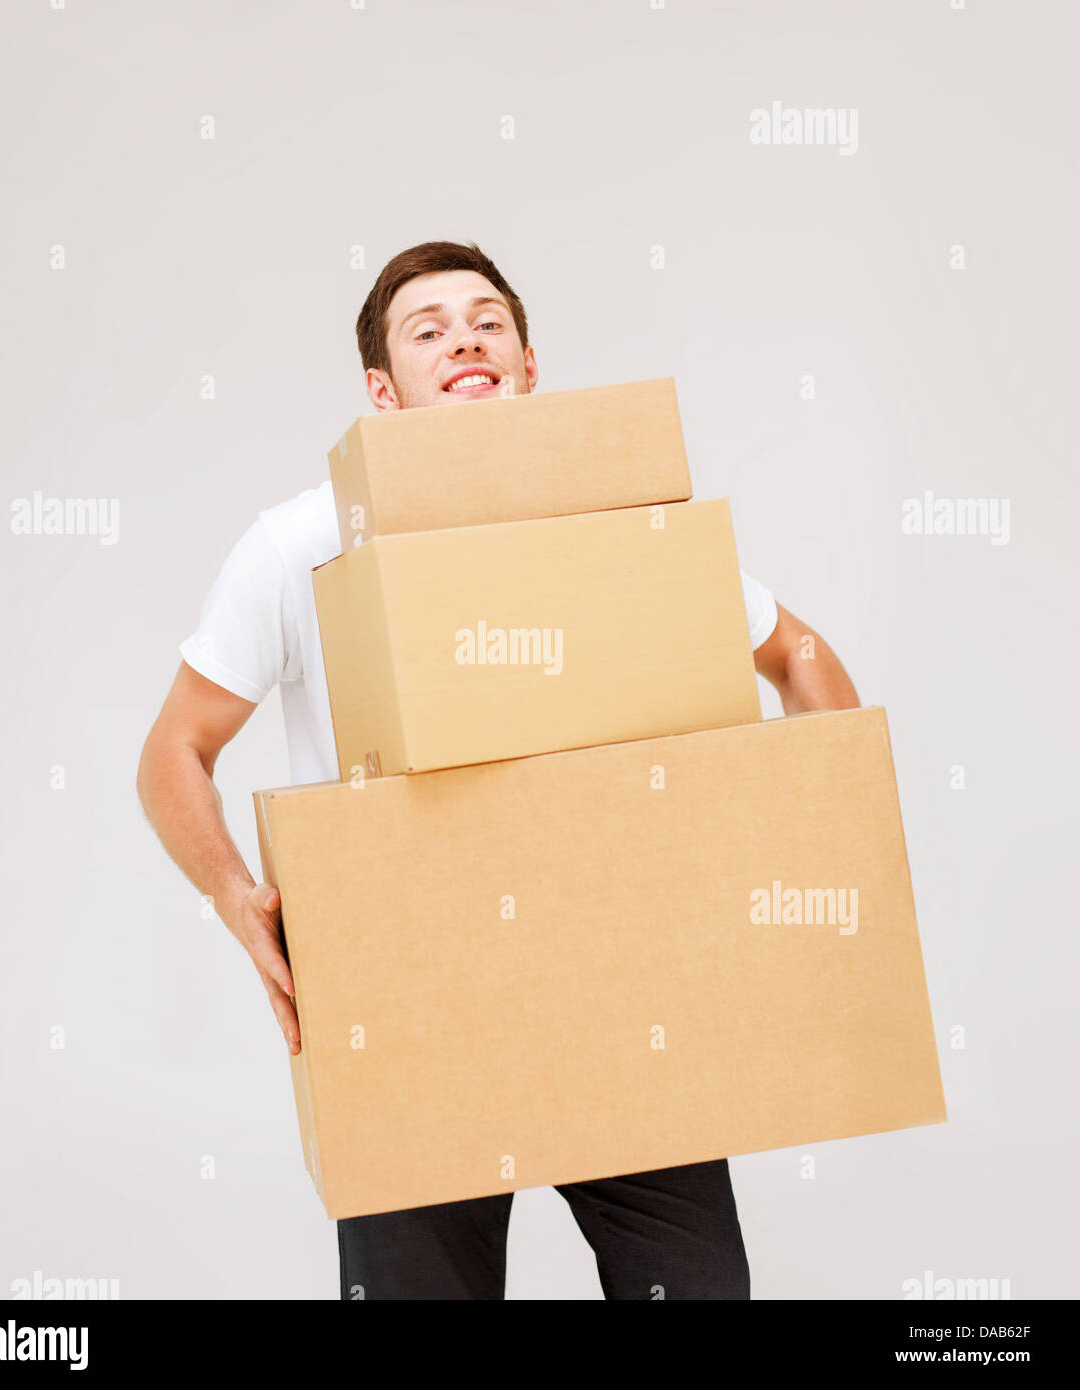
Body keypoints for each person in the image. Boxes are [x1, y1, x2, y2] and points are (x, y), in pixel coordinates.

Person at [136, 240, 860, 1300]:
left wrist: (814, 833)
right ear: (382, 395)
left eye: (487, 322)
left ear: (528, 366)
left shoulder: (616, 522)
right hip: (406, 1014)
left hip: (622, 997)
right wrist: (239, 901)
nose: (463, 338)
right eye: (427, 330)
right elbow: (173, 751)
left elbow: (796, 653)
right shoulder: (299, 545)